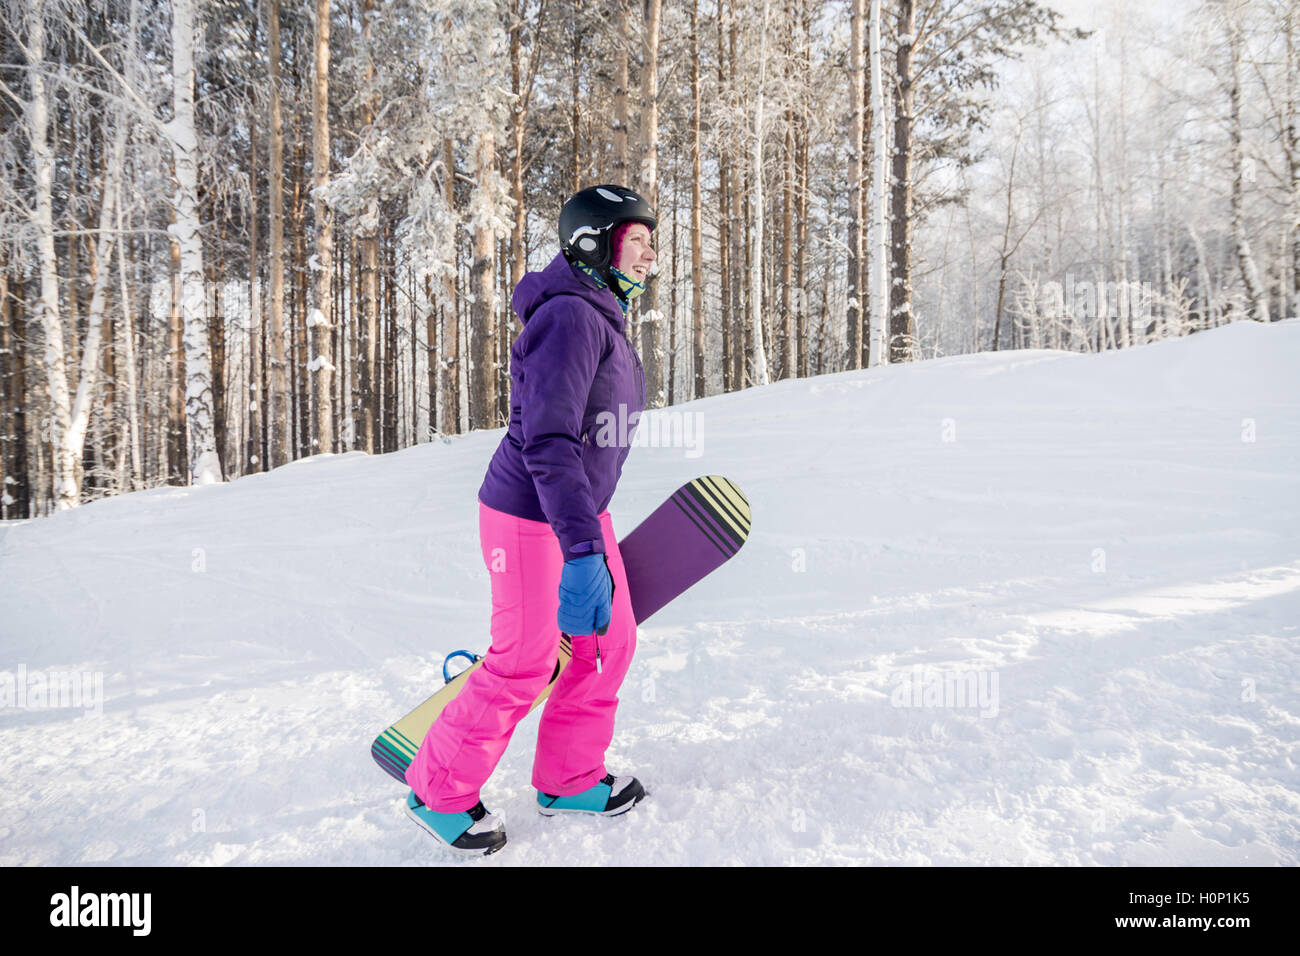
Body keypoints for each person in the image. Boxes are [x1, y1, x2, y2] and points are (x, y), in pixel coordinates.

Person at [403, 185, 657, 855]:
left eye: (652, 246)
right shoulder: (570, 318)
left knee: (609, 642)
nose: (651, 258)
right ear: (595, 245)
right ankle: (437, 791)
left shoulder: (605, 315)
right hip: (527, 513)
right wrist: (579, 551)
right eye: (639, 244)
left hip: (579, 509)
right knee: (525, 661)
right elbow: (547, 440)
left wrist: (586, 528)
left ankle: (569, 778)